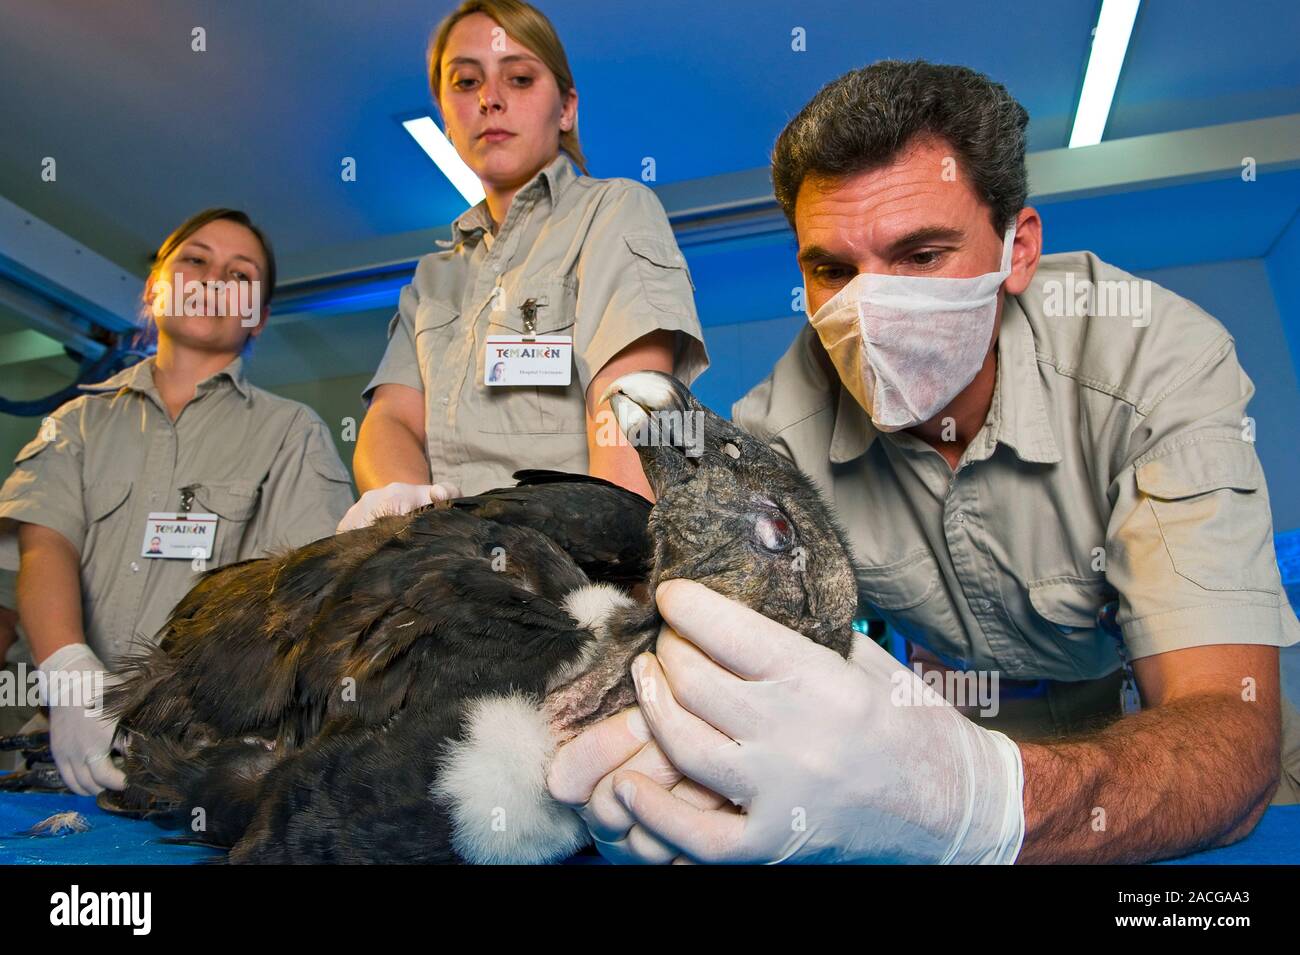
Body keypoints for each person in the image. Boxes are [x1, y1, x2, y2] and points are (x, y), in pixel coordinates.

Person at [547, 60, 1300, 864]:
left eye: (922, 254)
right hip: (956, 723)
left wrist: (970, 801)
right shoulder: (775, 442)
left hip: (1140, 719)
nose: (871, 311)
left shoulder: (1155, 366)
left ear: (1017, 251)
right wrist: (657, 763)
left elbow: (1227, 724)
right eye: (832, 269)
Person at [0, 208, 355, 795]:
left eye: (240, 275)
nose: (215, 280)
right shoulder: (75, 424)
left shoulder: (292, 432)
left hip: (196, 767)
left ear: (259, 318)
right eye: (195, 260)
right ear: (154, 287)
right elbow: (44, 547)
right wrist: (70, 677)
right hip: (51, 753)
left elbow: (310, 596)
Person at [339, 0, 707, 531]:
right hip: (443, 575)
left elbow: (633, 415)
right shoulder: (433, 278)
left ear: (565, 109)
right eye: (465, 83)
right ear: (446, 118)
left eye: (519, 78)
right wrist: (411, 527)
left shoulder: (613, 212)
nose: (490, 99)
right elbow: (391, 421)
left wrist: (603, 582)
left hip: (563, 574)